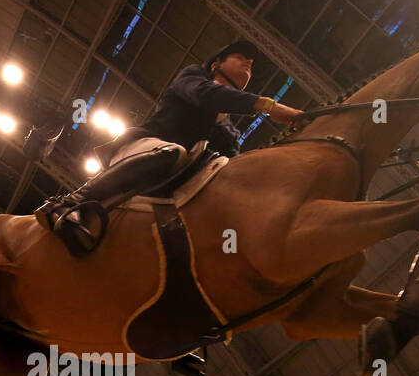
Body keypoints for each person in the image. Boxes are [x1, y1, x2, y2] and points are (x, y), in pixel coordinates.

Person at [33, 40, 303, 251]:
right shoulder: (193, 76)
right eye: (240, 57)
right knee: (173, 152)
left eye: (251, 63)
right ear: (215, 65)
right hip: (144, 148)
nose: (248, 62)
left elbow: (232, 169)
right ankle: (74, 201)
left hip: (177, 180)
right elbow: (204, 95)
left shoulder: (230, 132)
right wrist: (269, 106)